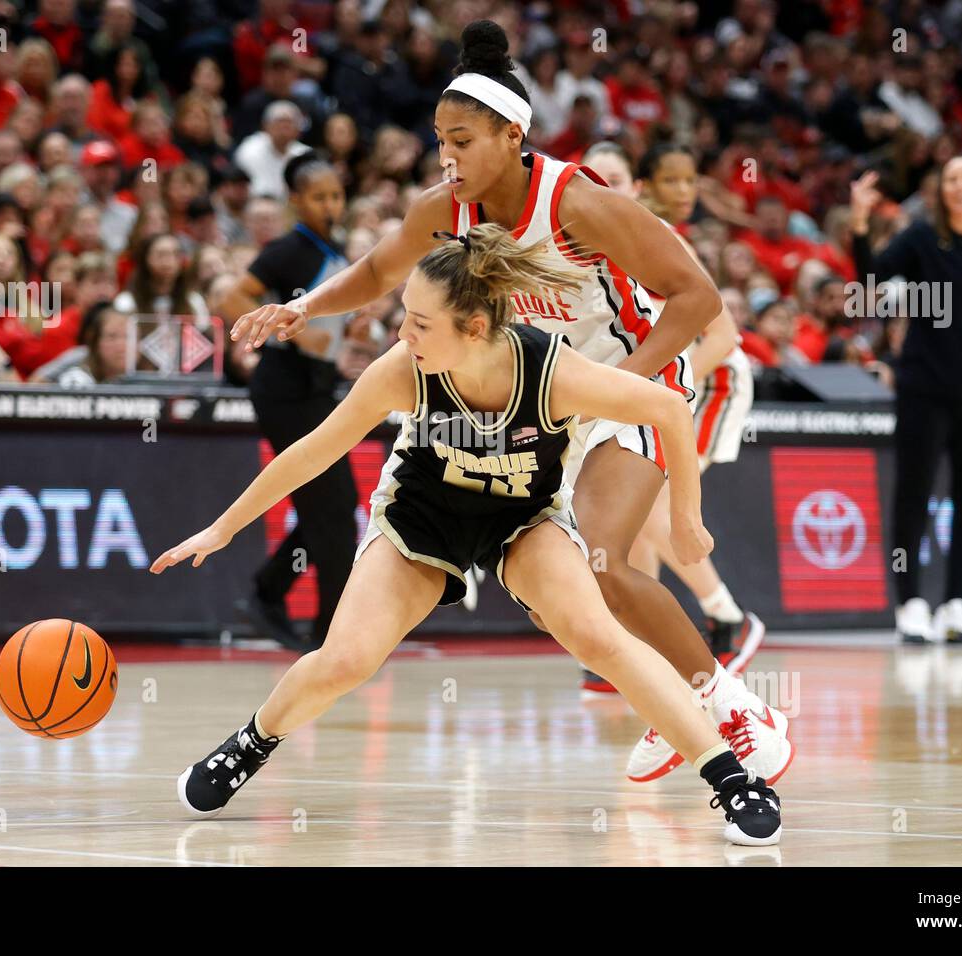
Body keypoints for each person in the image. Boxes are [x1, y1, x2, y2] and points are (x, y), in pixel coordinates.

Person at [232, 21, 793, 782]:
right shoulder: (446, 208)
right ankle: (684, 707)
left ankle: (729, 706)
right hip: (553, 397)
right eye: (439, 140)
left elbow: (696, 297)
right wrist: (305, 306)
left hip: (641, 379)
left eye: (462, 140)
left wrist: (628, 392)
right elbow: (375, 273)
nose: (447, 156)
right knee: (573, 586)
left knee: (599, 558)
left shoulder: (579, 203)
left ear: (510, 134)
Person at [153, 224, 784, 846]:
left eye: (420, 323)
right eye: (404, 315)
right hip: (422, 519)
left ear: (475, 328)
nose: (403, 334)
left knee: (601, 638)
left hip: (523, 519)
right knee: (345, 660)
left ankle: (730, 778)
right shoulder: (405, 369)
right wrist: (221, 529)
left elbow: (670, 408)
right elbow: (311, 452)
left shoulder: (553, 371)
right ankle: (250, 743)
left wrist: (686, 516)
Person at [583, 141, 769, 783]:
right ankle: (671, 693)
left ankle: (728, 621)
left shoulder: (650, 233)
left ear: (633, 188)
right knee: (623, 544)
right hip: (632, 388)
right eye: (591, 179)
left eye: (612, 180)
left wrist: (655, 387)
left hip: (700, 380)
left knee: (657, 519)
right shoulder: (570, 246)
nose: (598, 190)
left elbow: (721, 336)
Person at [851, 156, 962, 644]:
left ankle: (956, 605)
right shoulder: (923, 239)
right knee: (914, 496)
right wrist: (861, 223)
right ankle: (910, 604)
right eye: (951, 179)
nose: (960, 187)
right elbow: (871, 279)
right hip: (924, 390)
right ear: (941, 190)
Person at [217, 152, 357, 650]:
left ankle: (269, 593)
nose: (330, 205)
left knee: (335, 507)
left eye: (336, 195)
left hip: (315, 388)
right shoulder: (287, 249)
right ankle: (329, 638)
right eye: (319, 197)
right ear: (296, 202)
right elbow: (231, 299)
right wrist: (295, 338)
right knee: (333, 511)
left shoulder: (332, 247)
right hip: (284, 389)